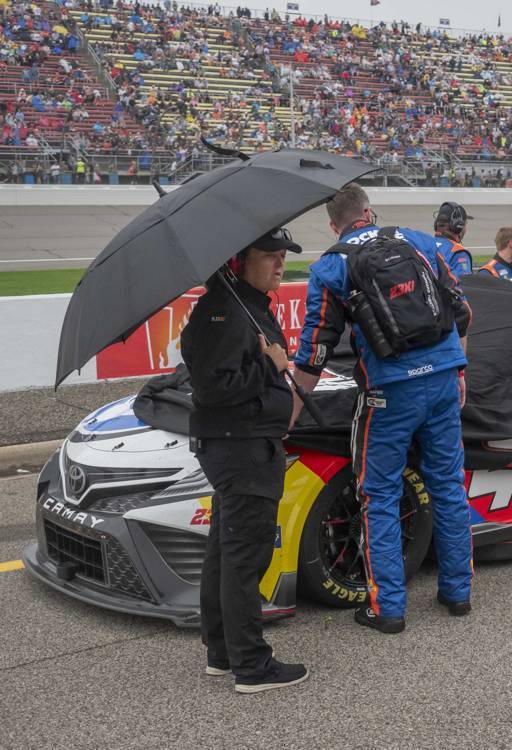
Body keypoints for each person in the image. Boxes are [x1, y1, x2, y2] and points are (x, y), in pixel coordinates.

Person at [292, 184, 474, 634]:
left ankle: (387, 608)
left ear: (333, 225)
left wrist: (288, 416)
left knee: (379, 494)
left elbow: (314, 353)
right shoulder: (420, 240)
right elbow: (462, 311)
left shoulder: (330, 264)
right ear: (370, 213)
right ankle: (458, 592)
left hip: (390, 392)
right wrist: (459, 370)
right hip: (444, 377)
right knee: (448, 485)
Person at [179, 227, 309, 694]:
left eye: (283, 255)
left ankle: (222, 652)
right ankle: (252, 665)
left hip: (246, 443)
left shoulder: (243, 305)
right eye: (270, 255)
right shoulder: (224, 311)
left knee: (226, 551)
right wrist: (270, 365)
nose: (280, 263)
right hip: (241, 448)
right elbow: (214, 388)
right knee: (244, 556)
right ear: (239, 261)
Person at [432, 201, 474, 275]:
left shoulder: (425, 246)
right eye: (465, 223)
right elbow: (463, 281)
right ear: (458, 226)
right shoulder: (458, 253)